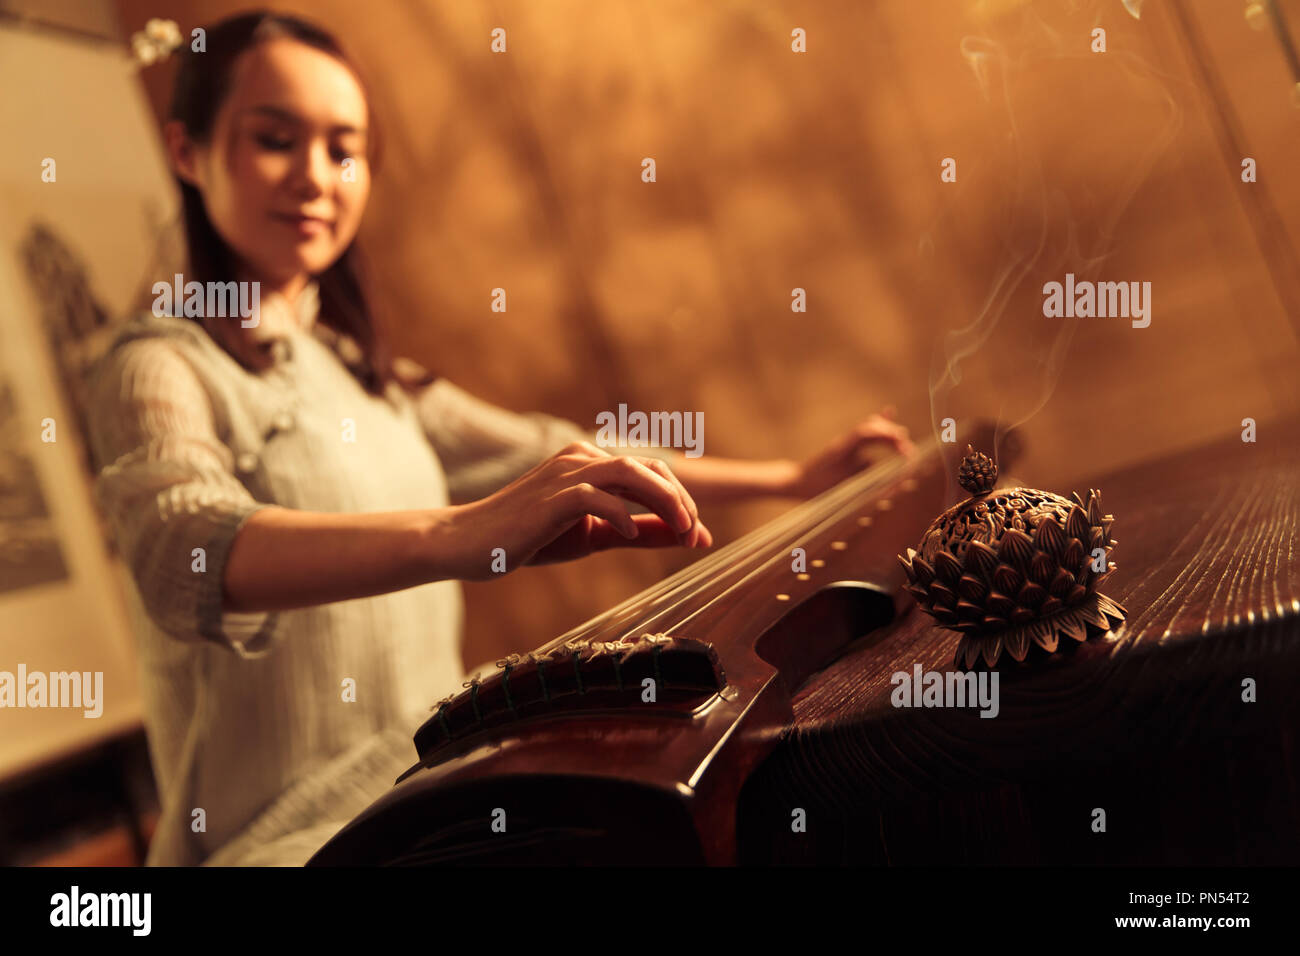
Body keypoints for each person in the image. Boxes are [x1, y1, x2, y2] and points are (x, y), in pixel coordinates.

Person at [86, 11, 912, 866]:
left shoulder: (365, 376)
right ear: (187, 153)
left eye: (344, 149)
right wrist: (467, 531)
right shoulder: (156, 365)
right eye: (274, 139)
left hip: (421, 802)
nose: (315, 178)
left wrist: (792, 475)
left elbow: (556, 453)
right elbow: (180, 545)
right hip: (284, 846)